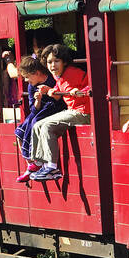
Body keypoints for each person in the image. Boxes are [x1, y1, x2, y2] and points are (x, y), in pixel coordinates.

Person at [29, 43, 91, 181]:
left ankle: (52, 168)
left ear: (64, 62)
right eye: (49, 62)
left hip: (83, 113)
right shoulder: (60, 76)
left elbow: (90, 85)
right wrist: (49, 90)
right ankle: (39, 162)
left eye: (56, 61)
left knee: (47, 126)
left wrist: (79, 91)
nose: (52, 66)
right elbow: (58, 93)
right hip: (73, 110)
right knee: (37, 124)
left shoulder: (72, 73)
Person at [14, 54, 66, 183]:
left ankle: (38, 162)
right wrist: (38, 100)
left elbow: (61, 100)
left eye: (27, 77)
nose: (26, 80)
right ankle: (31, 165)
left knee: (35, 123)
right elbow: (33, 109)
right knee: (19, 131)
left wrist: (49, 90)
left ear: (37, 73)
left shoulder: (52, 79)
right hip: (40, 111)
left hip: (55, 108)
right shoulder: (32, 86)